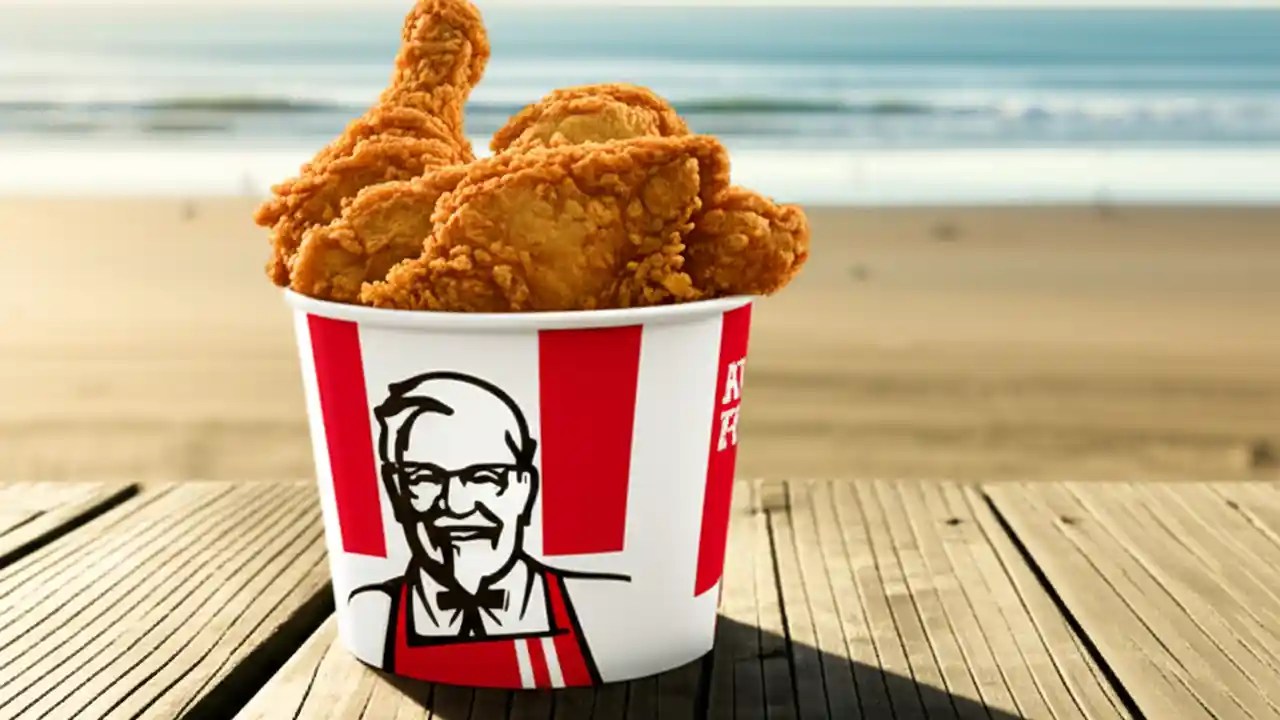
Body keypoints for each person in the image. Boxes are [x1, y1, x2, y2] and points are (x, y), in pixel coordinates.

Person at [350, 372, 611, 688]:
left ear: (524, 489)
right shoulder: (373, 611)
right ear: (396, 492)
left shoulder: (593, 603)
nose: (457, 506)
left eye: (485, 477)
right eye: (424, 478)